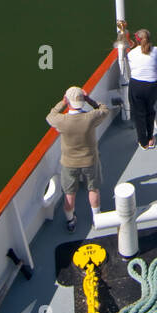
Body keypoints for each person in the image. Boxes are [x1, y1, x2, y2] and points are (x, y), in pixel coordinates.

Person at [46, 87, 110, 232]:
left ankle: (70, 221)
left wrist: (62, 103)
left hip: (69, 164)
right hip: (90, 161)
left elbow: (50, 116)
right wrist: (90, 100)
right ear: (82, 101)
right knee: (93, 189)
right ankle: (97, 218)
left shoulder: (62, 121)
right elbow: (104, 109)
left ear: (68, 102)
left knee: (70, 194)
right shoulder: (90, 118)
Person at [127, 28, 157, 148]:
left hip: (137, 86)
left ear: (137, 40)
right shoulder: (156, 50)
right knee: (150, 111)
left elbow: (136, 55)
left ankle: (144, 142)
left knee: (139, 114)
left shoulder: (130, 54)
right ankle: (150, 137)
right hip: (152, 86)